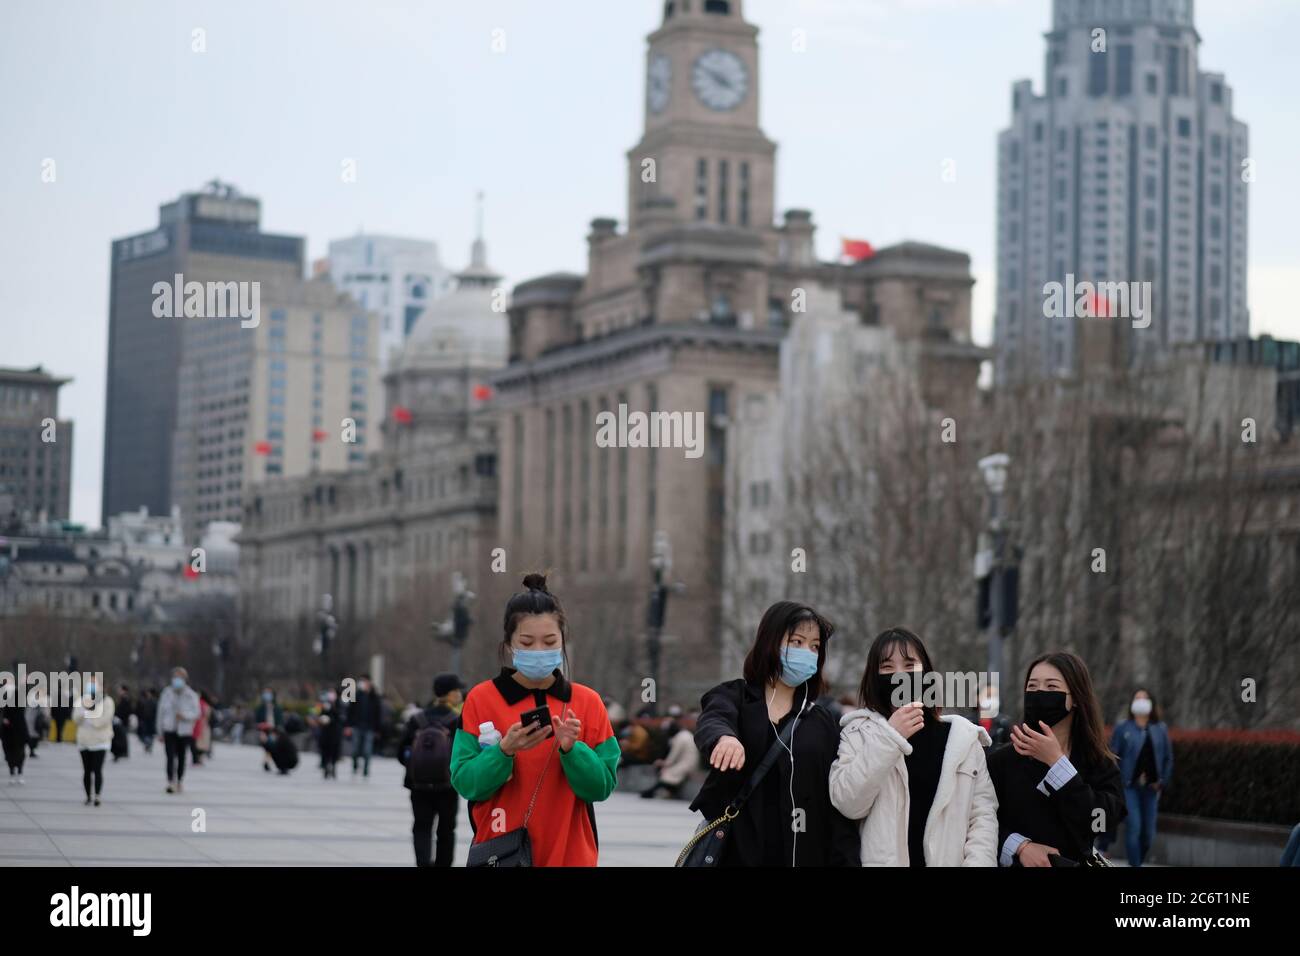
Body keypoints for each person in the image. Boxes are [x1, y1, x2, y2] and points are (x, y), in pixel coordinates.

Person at [451, 573, 620, 867]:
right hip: (502, 854)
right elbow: (466, 783)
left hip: (571, 855)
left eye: (550, 641)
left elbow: (600, 788)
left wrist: (573, 750)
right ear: (509, 643)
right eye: (527, 642)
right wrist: (503, 751)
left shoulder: (587, 703)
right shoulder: (482, 699)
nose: (538, 651)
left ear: (563, 640)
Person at [690, 601, 860, 867]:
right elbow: (714, 719)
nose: (807, 652)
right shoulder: (736, 697)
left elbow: (835, 804)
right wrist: (725, 738)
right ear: (770, 642)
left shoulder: (822, 720)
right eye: (797, 642)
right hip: (739, 853)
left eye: (815, 646)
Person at [828, 627, 998, 866]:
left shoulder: (963, 738)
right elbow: (848, 803)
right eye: (887, 667)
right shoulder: (858, 733)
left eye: (910, 666)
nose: (899, 675)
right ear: (874, 678)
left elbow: (982, 817)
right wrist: (891, 736)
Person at [987, 651, 1126, 867]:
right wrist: (1020, 847)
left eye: (1051, 687)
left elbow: (1102, 821)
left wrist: (1059, 765)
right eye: (1032, 686)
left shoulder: (1097, 761)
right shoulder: (1001, 761)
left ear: (1077, 699)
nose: (1040, 692)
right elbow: (977, 823)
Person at [398, 673, 465, 866]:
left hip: (419, 785)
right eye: (457, 690)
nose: (460, 694)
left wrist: (419, 767)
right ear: (450, 694)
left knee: (421, 827)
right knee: (446, 829)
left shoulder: (417, 720)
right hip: (447, 786)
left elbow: (401, 752)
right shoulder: (457, 720)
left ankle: (423, 863)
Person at [1107, 688, 1173, 867]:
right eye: (1138, 698)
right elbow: (1112, 755)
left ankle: (1138, 861)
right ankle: (1135, 865)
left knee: (1148, 834)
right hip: (1129, 787)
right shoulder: (1123, 728)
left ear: (1151, 703)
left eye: (1145, 698)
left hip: (1151, 788)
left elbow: (1167, 757)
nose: (1141, 701)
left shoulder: (1160, 729)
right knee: (1134, 827)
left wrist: (1162, 781)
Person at [157, 667, 201, 794]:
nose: (177, 680)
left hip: (184, 731)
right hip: (169, 729)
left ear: (185, 679)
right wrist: (159, 731)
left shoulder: (191, 695)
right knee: (170, 756)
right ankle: (170, 781)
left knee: (182, 757)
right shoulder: (166, 693)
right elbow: (160, 713)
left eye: (180, 677)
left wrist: (185, 716)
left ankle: (179, 780)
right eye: (175, 677)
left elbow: (197, 713)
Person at [72, 679, 115, 806]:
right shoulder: (81, 700)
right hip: (84, 741)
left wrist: (91, 715)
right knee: (86, 770)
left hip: (100, 741)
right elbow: (76, 718)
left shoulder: (107, 701)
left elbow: (105, 719)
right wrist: (85, 711)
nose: (91, 686)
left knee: (97, 769)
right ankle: (88, 795)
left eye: (94, 683)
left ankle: (97, 795)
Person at [642, 706, 696, 799]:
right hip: (687, 763)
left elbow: (673, 756)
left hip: (685, 764)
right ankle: (663, 791)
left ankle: (651, 792)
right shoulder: (685, 735)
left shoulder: (680, 737)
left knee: (666, 774)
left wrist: (664, 764)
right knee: (668, 775)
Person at [345, 674, 383, 777]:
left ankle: (366, 769)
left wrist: (378, 729)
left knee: (367, 750)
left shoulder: (375, 697)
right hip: (357, 726)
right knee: (355, 750)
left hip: (369, 728)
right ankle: (355, 765)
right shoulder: (356, 695)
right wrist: (348, 726)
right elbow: (350, 712)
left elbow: (378, 714)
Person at [315, 688, 344, 779]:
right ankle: (325, 766)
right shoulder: (323, 703)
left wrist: (331, 719)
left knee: (334, 750)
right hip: (325, 731)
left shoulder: (340, 704)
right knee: (325, 749)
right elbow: (317, 712)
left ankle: (333, 766)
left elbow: (341, 717)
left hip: (335, 732)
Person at [1, 693, 30, 784]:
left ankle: (14, 773)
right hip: (14, 736)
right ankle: (17, 773)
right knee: (19, 755)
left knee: (12, 755)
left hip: (11, 736)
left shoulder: (13, 707)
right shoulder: (19, 708)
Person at [254, 688, 283, 773]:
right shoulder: (261, 708)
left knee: (271, 746)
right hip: (264, 729)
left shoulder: (277, 707)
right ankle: (267, 762)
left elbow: (279, 720)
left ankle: (267, 762)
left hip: (273, 730)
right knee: (267, 746)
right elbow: (257, 719)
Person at [24, 688, 49, 759]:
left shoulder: (42, 698)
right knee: (31, 735)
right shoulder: (33, 697)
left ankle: (32, 750)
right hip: (31, 720)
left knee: (36, 736)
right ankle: (31, 750)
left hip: (37, 721)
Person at [111, 684, 132, 761]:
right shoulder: (122, 698)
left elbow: (126, 710)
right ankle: (121, 752)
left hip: (123, 721)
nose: (119, 691)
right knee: (122, 737)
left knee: (122, 738)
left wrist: (118, 717)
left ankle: (123, 752)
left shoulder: (125, 699)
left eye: (120, 690)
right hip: (120, 721)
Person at [191, 690, 212, 765]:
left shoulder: (198, 703)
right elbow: (208, 715)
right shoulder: (205, 704)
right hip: (203, 725)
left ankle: (196, 758)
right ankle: (199, 758)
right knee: (202, 743)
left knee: (197, 742)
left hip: (198, 725)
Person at [136, 688, 158, 753]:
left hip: (150, 720)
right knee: (147, 734)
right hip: (147, 720)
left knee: (149, 734)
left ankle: (148, 745)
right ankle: (148, 745)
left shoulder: (153, 701)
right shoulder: (147, 701)